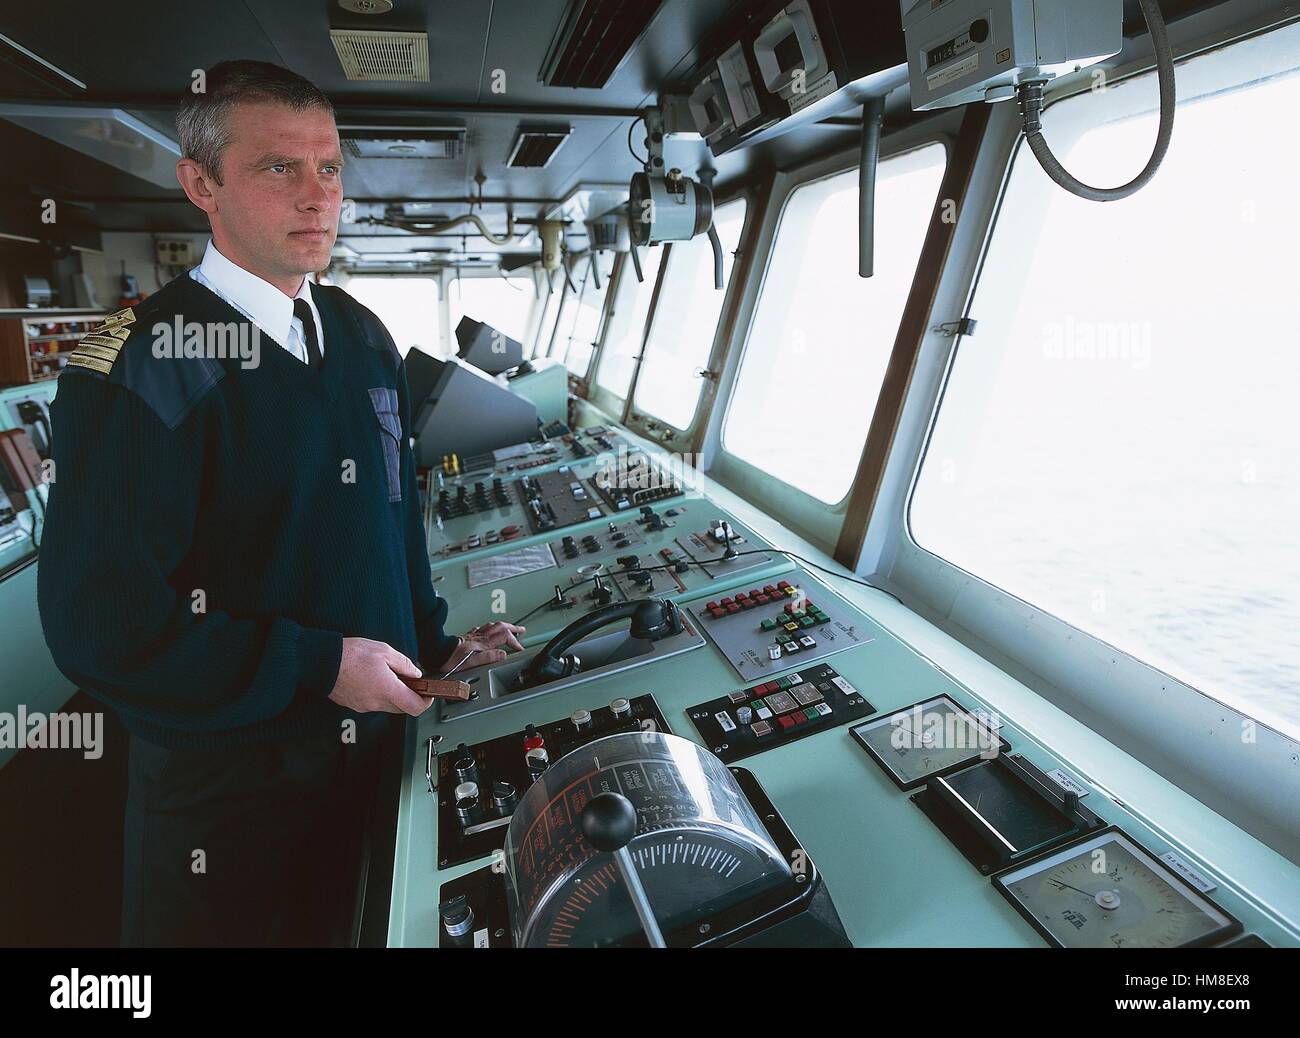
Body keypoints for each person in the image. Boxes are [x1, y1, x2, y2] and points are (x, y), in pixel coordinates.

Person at [36, 59, 524, 947]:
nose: (317, 196)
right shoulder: (133, 368)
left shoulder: (359, 334)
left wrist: (433, 637)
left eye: (329, 167)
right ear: (200, 183)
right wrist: (315, 665)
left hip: (377, 759)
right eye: (277, 168)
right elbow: (100, 625)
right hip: (232, 811)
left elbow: (386, 517)